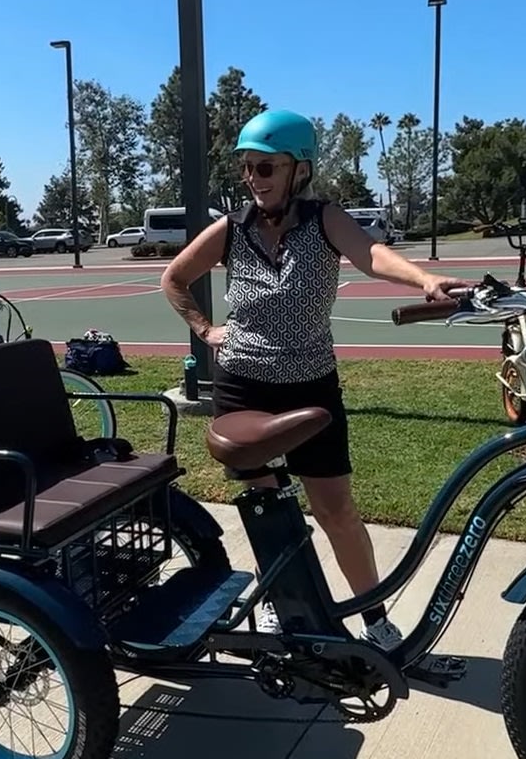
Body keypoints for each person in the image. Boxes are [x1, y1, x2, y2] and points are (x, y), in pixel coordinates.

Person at [159, 108, 472, 649]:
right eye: (248, 168)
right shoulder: (231, 231)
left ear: (299, 169)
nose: (254, 179)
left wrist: (424, 279)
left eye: (266, 168)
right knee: (270, 509)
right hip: (242, 387)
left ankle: (375, 620)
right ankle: (291, 607)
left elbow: (372, 255)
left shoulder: (324, 219)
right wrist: (206, 330)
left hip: (310, 385)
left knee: (337, 510)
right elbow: (175, 278)